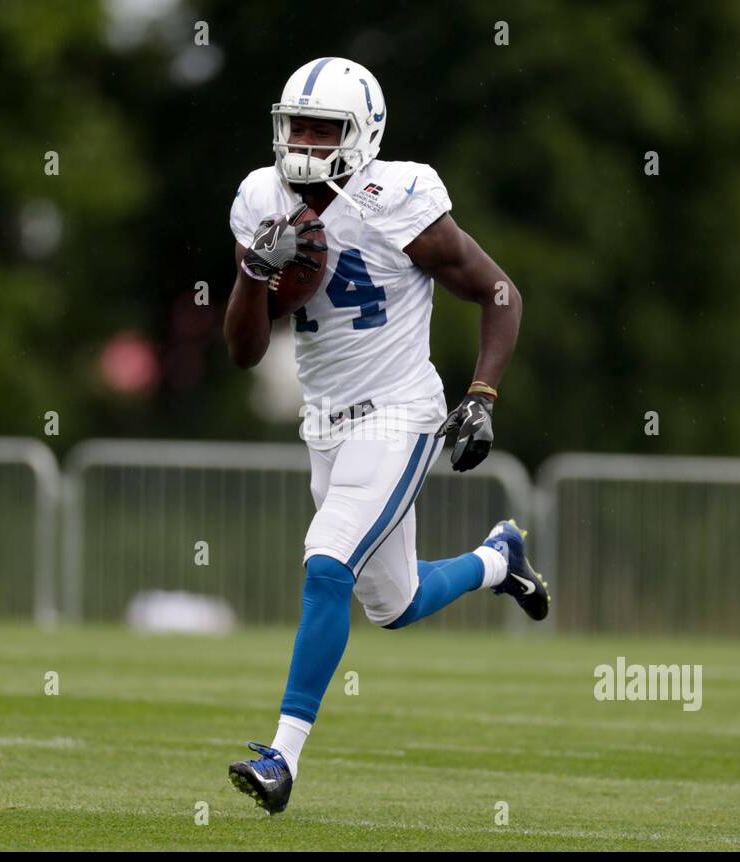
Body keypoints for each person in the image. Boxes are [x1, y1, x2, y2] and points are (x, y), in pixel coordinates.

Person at [223, 56, 549, 814]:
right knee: (393, 603)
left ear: (362, 134)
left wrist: (482, 395)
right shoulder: (259, 199)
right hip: (326, 423)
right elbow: (242, 350)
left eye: (322, 129)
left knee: (326, 561)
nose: (302, 141)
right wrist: (250, 273)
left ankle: (282, 759)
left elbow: (500, 291)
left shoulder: (395, 197)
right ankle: (499, 560)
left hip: (399, 412)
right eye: (294, 125)